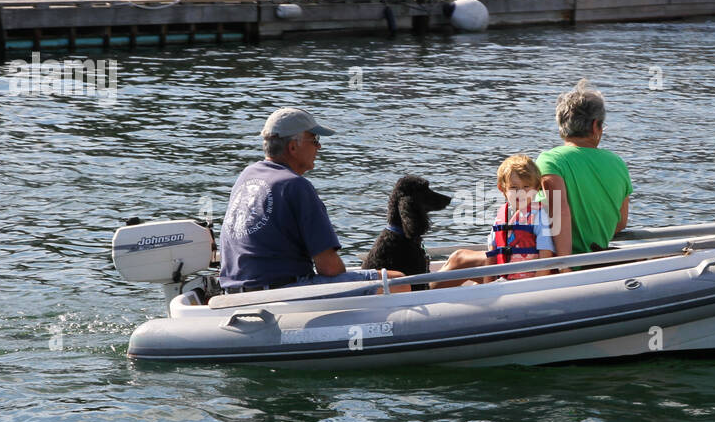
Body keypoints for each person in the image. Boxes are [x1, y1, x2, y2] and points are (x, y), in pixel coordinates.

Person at [218, 107, 405, 294]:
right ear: (293, 147)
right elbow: (330, 269)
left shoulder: (247, 175)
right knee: (399, 282)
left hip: (235, 291)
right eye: (314, 140)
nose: (319, 147)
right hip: (279, 292)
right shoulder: (295, 185)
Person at [537, 78, 632, 259]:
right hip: (595, 260)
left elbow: (556, 215)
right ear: (596, 126)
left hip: (557, 266)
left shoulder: (550, 161)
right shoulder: (617, 163)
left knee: (464, 257)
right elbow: (620, 223)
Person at [434, 155, 556, 287]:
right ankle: (423, 291)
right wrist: (487, 285)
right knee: (461, 263)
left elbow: (545, 255)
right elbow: (492, 255)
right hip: (503, 280)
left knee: (458, 258)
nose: (520, 193)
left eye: (526, 187)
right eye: (514, 188)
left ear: (536, 189)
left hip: (528, 282)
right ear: (502, 189)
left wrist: (536, 286)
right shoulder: (501, 216)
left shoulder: (538, 215)